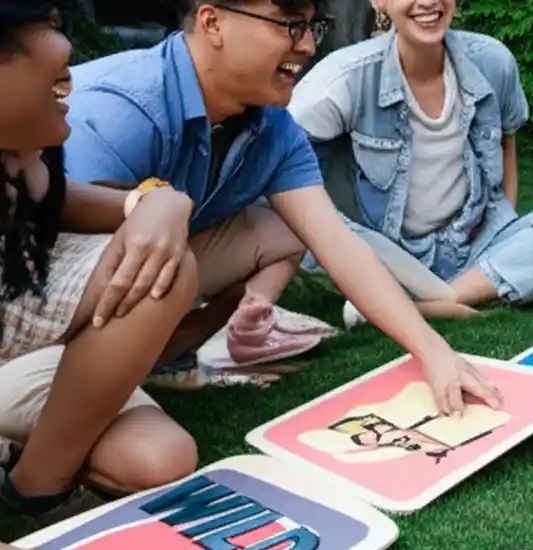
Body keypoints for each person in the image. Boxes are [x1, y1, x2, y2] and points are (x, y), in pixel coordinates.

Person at [61, 0, 502, 413]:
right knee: (152, 454)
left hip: (157, 265)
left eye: (312, 26)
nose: (308, 45)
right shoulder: (123, 109)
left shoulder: (274, 130)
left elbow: (336, 244)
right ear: (214, 22)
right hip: (49, 287)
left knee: (283, 232)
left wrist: (433, 351)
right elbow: (52, 239)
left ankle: (163, 355)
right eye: (289, 24)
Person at [0, 0, 206, 550]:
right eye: (53, 42)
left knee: (163, 461)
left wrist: (158, 202)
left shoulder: (21, 156)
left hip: (22, 344)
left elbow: (60, 203)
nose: (71, 78)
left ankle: (34, 483)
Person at [287, 0, 533, 319]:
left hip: (472, 244)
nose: (427, 2)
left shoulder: (492, 61)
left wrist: (504, 219)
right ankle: (497, 284)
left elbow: (508, 143)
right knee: (313, 239)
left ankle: (431, 303)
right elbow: (287, 174)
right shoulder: (342, 79)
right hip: (387, 255)